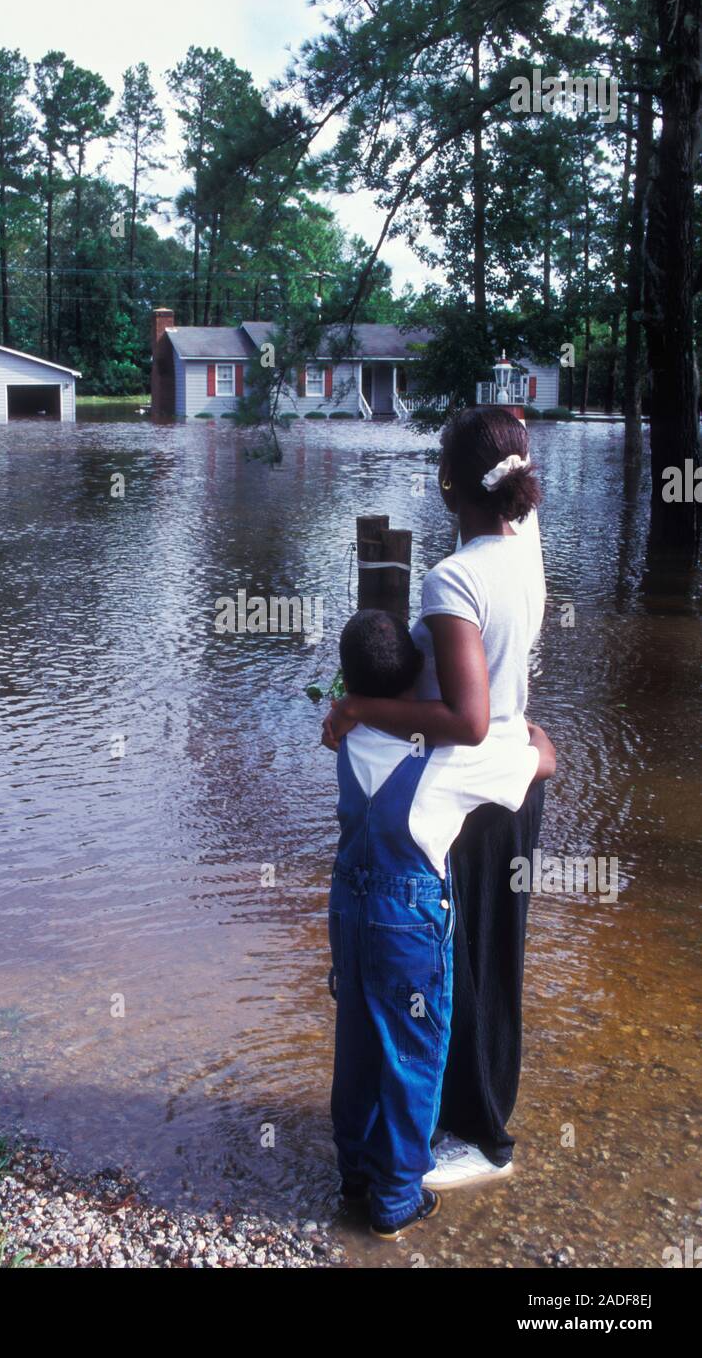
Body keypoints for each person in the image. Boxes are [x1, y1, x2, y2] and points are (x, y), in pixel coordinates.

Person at [324, 407, 547, 1187]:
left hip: (473, 795)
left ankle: (477, 1138)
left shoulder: (453, 578)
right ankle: (473, 1122)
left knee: (459, 968)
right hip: (512, 784)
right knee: (494, 961)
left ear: (450, 483)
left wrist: (357, 708)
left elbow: (465, 718)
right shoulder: (523, 554)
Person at [328, 608, 555, 1239]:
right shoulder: (447, 760)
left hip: (347, 907)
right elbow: (543, 766)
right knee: (413, 1053)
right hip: (407, 920)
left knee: (360, 1043)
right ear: (417, 680)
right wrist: (534, 734)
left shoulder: (349, 738)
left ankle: (353, 1172)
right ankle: (396, 1198)